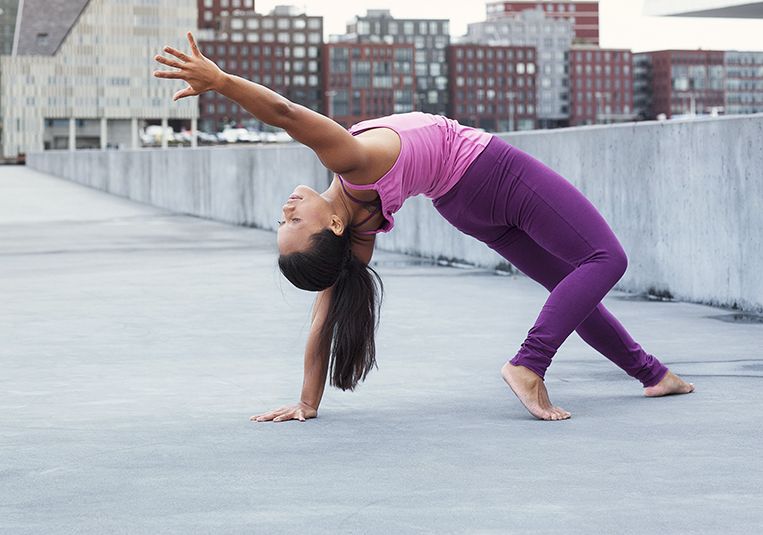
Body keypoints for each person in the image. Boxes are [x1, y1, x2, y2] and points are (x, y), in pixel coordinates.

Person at [154, 33, 694, 421]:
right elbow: (288, 114)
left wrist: (308, 402)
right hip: (490, 172)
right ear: (333, 224)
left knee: (568, 287)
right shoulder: (351, 164)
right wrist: (220, 81)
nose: (288, 206)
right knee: (606, 260)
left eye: (282, 219)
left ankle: (651, 374)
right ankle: (529, 364)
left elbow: (325, 318)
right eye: (294, 219)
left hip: (461, 204)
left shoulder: (355, 239)